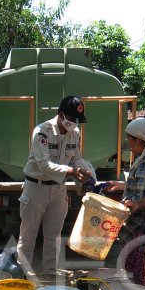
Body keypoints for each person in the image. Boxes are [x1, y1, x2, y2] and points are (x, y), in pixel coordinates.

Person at [18, 95, 96, 276]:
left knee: (54, 237)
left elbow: (77, 160)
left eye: (77, 120)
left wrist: (85, 179)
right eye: (71, 119)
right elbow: (43, 165)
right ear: (61, 114)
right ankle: (22, 277)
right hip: (36, 188)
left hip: (59, 189)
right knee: (28, 236)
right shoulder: (42, 131)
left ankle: (50, 275)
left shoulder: (75, 133)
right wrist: (71, 171)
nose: (74, 123)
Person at [101, 117, 145, 285]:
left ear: (139, 139)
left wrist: (115, 209)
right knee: (132, 263)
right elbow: (141, 186)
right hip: (140, 223)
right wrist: (122, 185)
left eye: (129, 139)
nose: (128, 143)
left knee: (134, 267)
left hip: (140, 224)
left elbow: (141, 199)